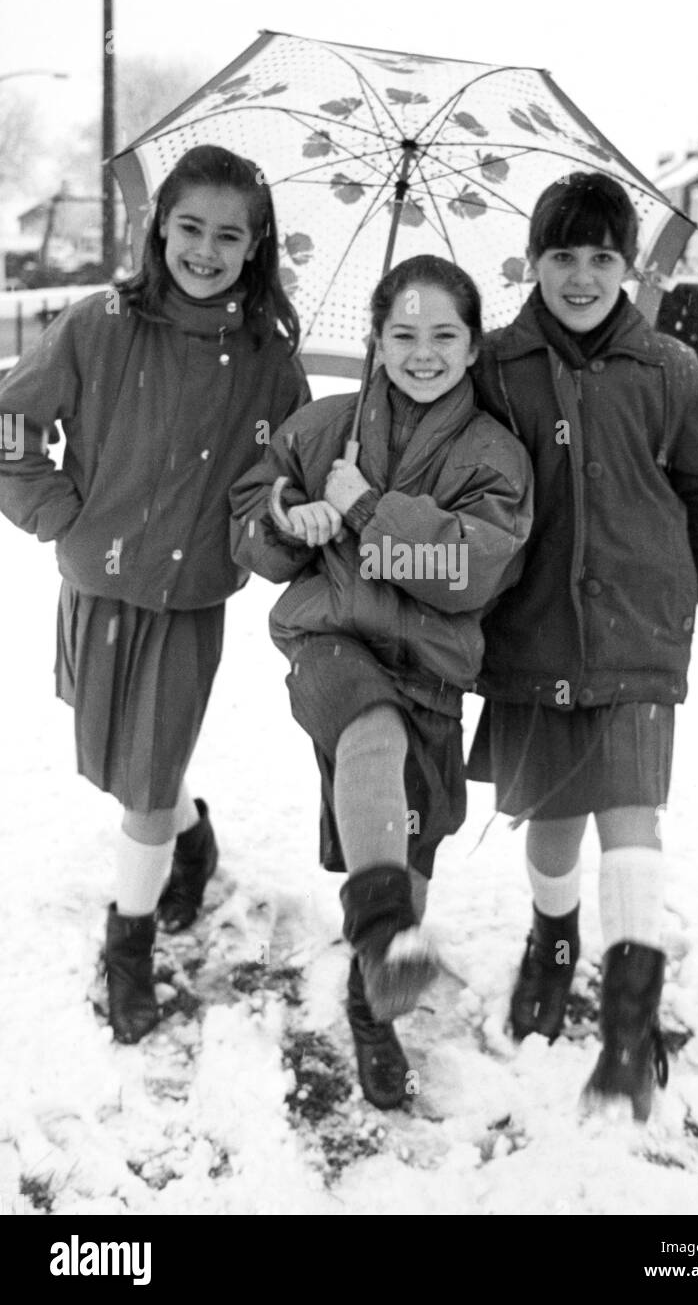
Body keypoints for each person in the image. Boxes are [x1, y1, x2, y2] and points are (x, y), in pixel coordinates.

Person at [467, 172, 698, 1122]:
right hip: (530, 631)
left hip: (640, 626)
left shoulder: (667, 368)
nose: (583, 276)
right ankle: (552, 944)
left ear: (629, 267)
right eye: (563, 256)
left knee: (631, 819)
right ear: (532, 262)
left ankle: (630, 1023)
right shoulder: (494, 364)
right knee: (553, 825)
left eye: (603, 257)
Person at [0, 144, 309, 1045]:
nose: (206, 251)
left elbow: (274, 482)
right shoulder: (99, 323)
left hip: (189, 601)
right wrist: (59, 511)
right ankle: (190, 832)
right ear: (158, 230)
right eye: (190, 229)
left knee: (143, 768)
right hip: (97, 583)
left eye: (229, 236)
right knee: (118, 763)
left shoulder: (268, 357)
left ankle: (127, 945)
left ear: (256, 247)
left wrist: (273, 531)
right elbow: (11, 420)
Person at [229, 254, 532, 1109]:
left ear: (474, 348)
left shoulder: (496, 456)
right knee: (370, 731)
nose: (422, 351)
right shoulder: (325, 425)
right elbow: (248, 532)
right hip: (328, 639)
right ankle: (381, 928)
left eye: (444, 335)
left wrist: (362, 508)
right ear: (375, 338)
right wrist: (290, 514)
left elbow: (463, 571)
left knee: (416, 838)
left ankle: (375, 995)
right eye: (402, 333)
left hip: (432, 666)